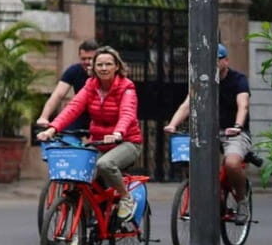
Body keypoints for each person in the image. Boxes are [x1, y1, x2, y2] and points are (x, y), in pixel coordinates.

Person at [37, 46, 143, 223]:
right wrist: (52, 129)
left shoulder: (127, 88)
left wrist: (118, 132)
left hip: (127, 142)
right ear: (93, 67)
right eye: (99, 65)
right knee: (82, 179)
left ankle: (126, 198)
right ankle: (85, 226)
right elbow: (72, 108)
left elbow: (127, 113)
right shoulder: (90, 86)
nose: (104, 68)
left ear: (117, 66)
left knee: (105, 164)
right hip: (100, 142)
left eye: (108, 64)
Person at [164, 43, 252, 224]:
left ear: (226, 61)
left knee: (232, 164)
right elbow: (187, 105)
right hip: (206, 132)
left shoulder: (238, 79)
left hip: (233, 132)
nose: (212, 64)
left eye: (217, 60)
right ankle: (209, 201)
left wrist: (237, 126)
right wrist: (172, 124)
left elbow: (243, 105)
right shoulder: (201, 80)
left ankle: (242, 201)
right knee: (191, 163)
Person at [36, 39, 99, 130]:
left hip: (101, 115)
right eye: (83, 59)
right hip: (79, 113)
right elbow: (58, 95)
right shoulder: (74, 70)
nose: (87, 62)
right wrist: (44, 117)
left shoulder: (105, 72)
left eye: (90, 59)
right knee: (64, 132)